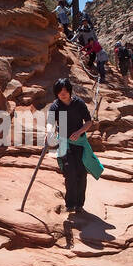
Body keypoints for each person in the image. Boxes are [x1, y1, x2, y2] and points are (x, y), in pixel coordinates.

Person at [49, 80, 98, 234]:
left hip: (80, 142)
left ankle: (79, 204)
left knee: (81, 173)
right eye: (59, 91)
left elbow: (89, 122)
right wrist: (49, 132)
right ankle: (70, 204)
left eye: (65, 90)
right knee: (69, 172)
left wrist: (79, 132)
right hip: (64, 143)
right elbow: (51, 123)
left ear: (69, 90)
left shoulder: (79, 103)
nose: (62, 93)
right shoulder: (55, 106)